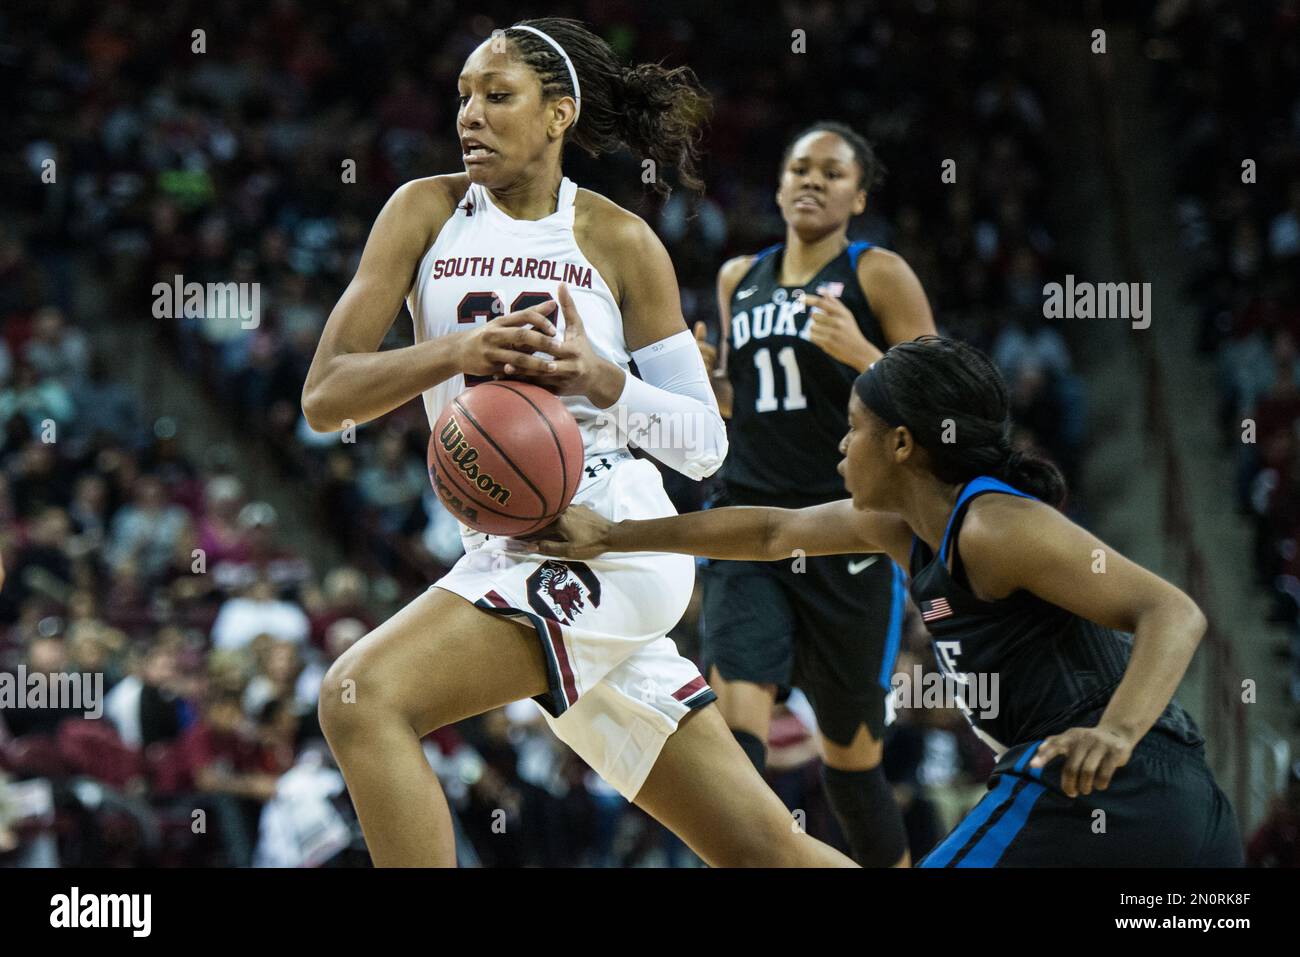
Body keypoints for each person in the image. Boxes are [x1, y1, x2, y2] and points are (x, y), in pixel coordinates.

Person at [302, 17, 853, 867]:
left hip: (604, 536)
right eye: (462, 98)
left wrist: (605, 380)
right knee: (763, 850)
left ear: (559, 114)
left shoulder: (619, 239)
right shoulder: (422, 212)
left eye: (497, 96)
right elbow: (324, 396)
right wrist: (456, 350)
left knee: (358, 696)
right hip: (504, 546)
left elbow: (704, 446)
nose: (470, 117)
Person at [535, 336, 1244, 866]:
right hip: (1178, 820)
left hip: (1113, 782)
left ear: (903, 443)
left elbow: (1173, 610)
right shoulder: (905, 529)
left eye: (853, 426)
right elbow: (772, 528)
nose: (841, 447)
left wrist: (1116, 732)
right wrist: (615, 534)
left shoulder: (994, 526)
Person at [694, 120, 934, 865]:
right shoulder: (741, 277)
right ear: (777, 184)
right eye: (799, 167)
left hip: (850, 533)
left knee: (853, 771)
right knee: (734, 745)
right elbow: (755, 400)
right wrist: (714, 382)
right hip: (750, 520)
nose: (810, 181)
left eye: (832, 173)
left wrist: (865, 355)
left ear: (858, 196)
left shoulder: (879, 273)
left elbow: (947, 403)